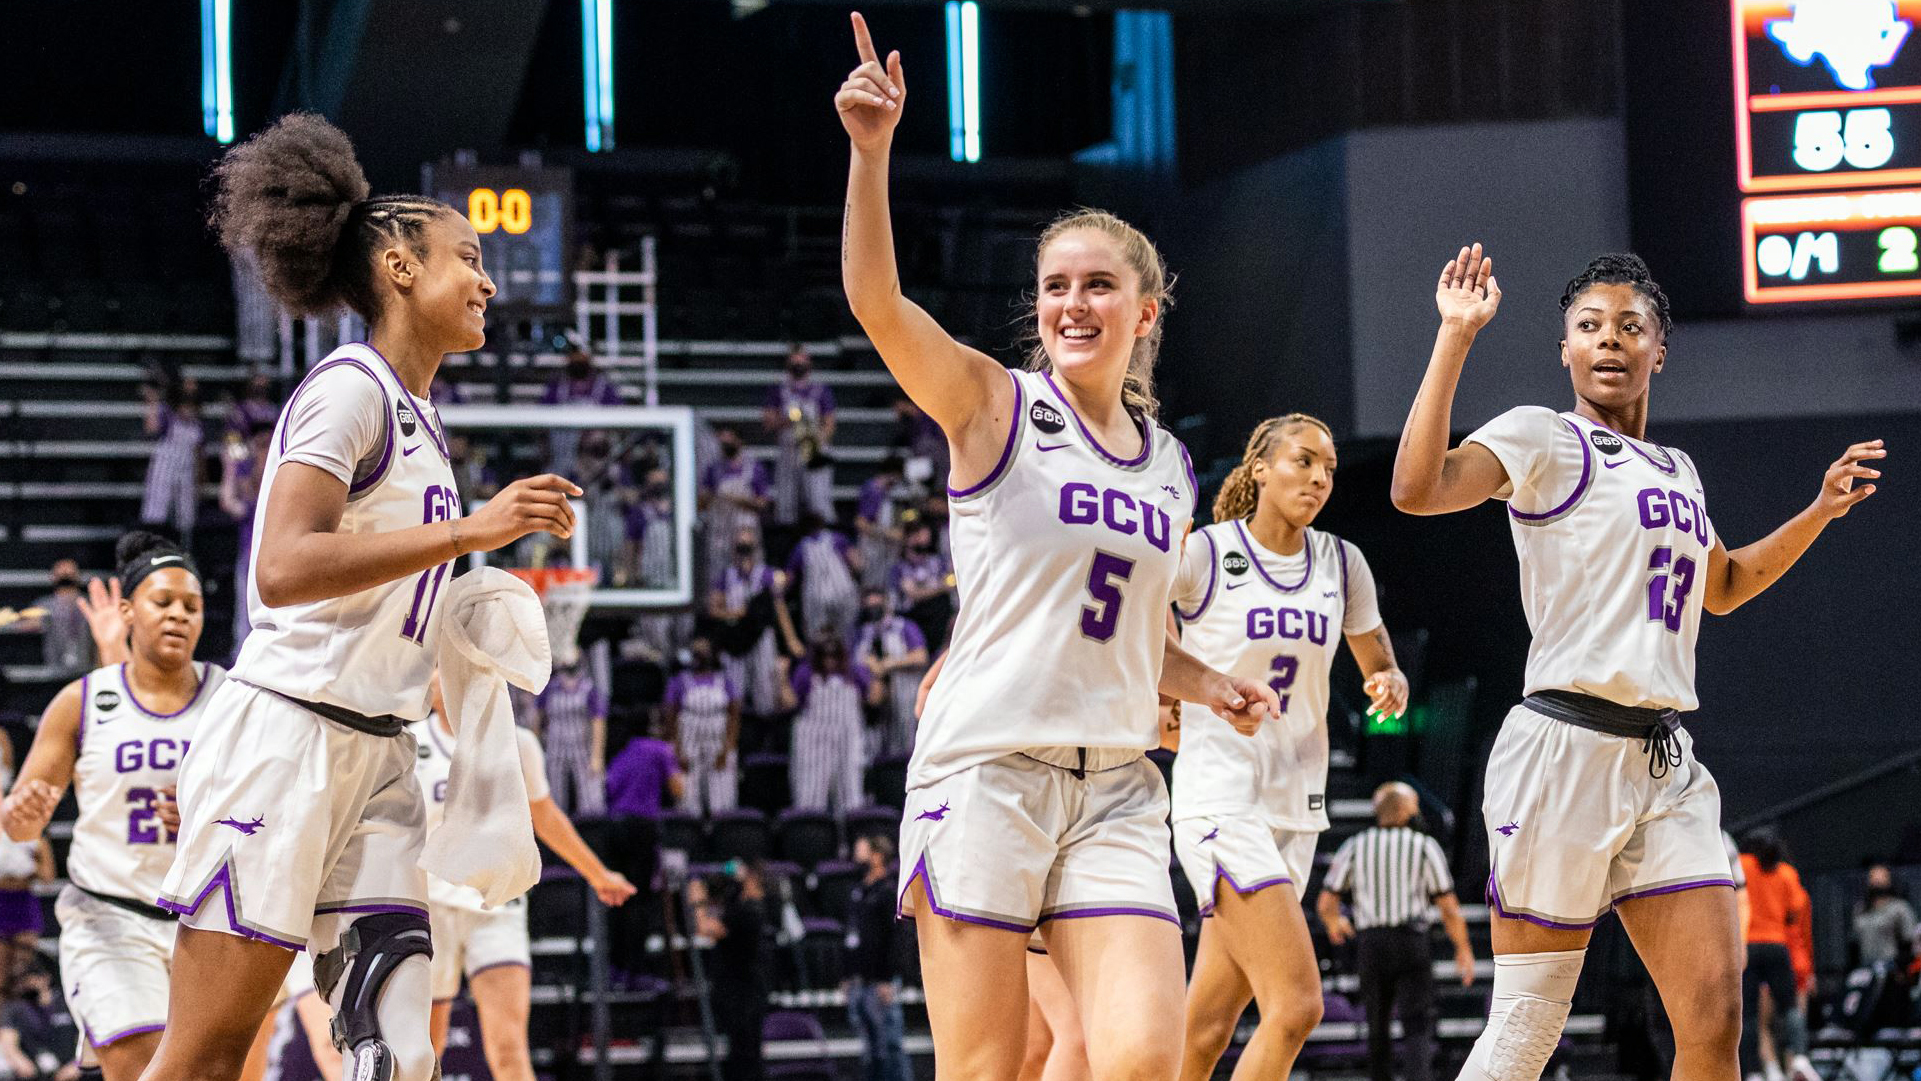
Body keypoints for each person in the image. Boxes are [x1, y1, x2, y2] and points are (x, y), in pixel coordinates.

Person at [837, 16, 1277, 1076]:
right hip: (986, 772)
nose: (1073, 303)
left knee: (1138, 1058)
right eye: (1055, 287)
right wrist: (869, 154)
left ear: (1145, 309)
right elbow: (877, 303)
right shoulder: (995, 404)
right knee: (989, 1065)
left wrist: (1205, 680)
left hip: (1118, 782)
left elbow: (1123, 627)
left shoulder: (1171, 464)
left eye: (1097, 285)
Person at [144, 112, 580, 1081]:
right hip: (283, 745)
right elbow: (283, 566)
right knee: (210, 1053)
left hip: (380, 755)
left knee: (397, 1051)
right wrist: (470, 535)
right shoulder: (350, 388)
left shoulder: (420, 414)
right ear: (395, 267)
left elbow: (381, 581)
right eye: (467, 257)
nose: (487, 280)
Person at [1390, 245, 1884, 1081]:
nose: (1608, 341)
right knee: (1525, 1029)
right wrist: (1455, 337)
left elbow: (1721, 586)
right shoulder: (1542, 437)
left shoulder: (1676, 468)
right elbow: (1415, 487)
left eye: (1629, 326)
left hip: (1661, 758)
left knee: (1715, 1019)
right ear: (1565, 351)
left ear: (1660, 347)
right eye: (1588, 327)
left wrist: (1818, 511)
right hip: (1563, 748)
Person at [1165, 413, 1411, 1081]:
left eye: (1327, 468)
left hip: (1295, 806)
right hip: (1220, 796)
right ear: (1258, 470)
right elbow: (1138, 616)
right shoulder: (1206, 552)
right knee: (1297, 1006)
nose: (1318, 477)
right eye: (1302, 461)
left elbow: (1373, 652)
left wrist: (1386, 677)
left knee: (1208, 1026)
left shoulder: (1340, 560)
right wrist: (1166, 699)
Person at [0, 533, 222, 1081]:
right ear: (127, 611)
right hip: (109, 915)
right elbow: (22, 820)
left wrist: (212, 818)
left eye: (191, 607)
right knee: (144, 1067)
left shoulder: (231, 697)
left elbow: (275, 809)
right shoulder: (83, 701)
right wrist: (22, 815)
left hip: (208, 920)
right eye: (163, 603)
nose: (178, 616)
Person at [411, 673, 636, 1081]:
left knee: (510, 1047)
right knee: (425, 1053)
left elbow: (545, 816)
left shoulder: (518, 743)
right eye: (436, 669)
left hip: (497, 905)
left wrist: (598, 874)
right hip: (430, 910)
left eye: (449, 669)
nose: (438, 679)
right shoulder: (408, 743)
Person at [1318, 783, 1476, 1081]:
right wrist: (1463, 948)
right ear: (1404, 810)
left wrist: (1334, 924)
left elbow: (1326, 902)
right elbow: (1448, 906)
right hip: (1410, 941)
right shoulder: (1423, 845)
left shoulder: (1355, 844)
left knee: (1377, 1027)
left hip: (1371, 943)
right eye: (1415, 805)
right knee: (1417, 1025)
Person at [1740, 831, 1814, 1081]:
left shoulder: (1742, 865)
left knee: (1749, 1013)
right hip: (1777, 944)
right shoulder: (1786, 873)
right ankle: (1801, 1059)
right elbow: (1796, 910)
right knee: (1790, 1006)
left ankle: (1753, 1072)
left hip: (1748, 945)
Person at [779, 637, 881, 814]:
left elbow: (874, 698)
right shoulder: (806, 673)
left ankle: (848, 841)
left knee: (850, 801)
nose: (830, 660)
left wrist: (877, 674)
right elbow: (789, 703)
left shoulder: (853, 672)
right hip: (814, 746)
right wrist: (782, 677)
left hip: (846, 743)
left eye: (834, 655)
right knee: (810, 800)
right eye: (825, 655)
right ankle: (813, 838)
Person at [690, 863, 771, 1081]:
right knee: (742, 1053)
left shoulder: (749, 911)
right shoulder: (745, 908)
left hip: (744, 996)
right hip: (741, 992)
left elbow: (707, 929)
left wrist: (698, 901)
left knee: (745, 1056)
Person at [844, 833, 911, 1081]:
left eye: (861, 851)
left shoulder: (888, 891)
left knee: (890, 1046)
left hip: (881, 981)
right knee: (870, 1051)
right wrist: (848, 974)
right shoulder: (859, 891)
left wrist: (888, 977)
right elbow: (851, 935)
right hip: (861, 980)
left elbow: (896, 938)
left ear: (877, 856)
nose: (855, 856)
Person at [709, 533, 796, 720]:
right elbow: (714, 610)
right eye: (741, 548)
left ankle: (764, 732)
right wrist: (738, 613)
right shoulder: (726, 576)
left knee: (765, 690)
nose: (744, 553)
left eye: (748, 548)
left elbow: (779, 608)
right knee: (734, 690)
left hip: (760, 635)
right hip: (736, 638)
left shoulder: (766, 575)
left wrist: (791, 639)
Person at [664, 638, 741, 814]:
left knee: (722, 801)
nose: (701, 655)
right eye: (697, 651)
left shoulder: (724, 681)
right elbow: (669, 715)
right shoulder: (679, 681)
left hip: (718, 741)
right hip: (688, 741)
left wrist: (728, 748)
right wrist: (677, 749)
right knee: (688, 801)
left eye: (704, 651)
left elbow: (734, 714)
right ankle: (690, 835)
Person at [763, 345, 836, 527]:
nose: (798, 365)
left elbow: (829, 423)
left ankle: (822, 535)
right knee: (786, 502)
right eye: (794, 361)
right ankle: (786, 539)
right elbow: (768, 421)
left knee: (819, 499)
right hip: (789, 448)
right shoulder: (778, 389)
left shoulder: (820, 390)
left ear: (809, 362)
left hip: (812, 447)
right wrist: (789, 419)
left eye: (801, 361)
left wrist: (816, 442)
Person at [851, 591, 928, 760]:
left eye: (877, 605)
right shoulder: (863, 633)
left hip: (904, 696)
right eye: (869, 606)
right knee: (875, 750)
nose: (873, 609)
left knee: (907, 747)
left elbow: (921, 656)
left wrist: (889, 664)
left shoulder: (904, 626)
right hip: (873, 702)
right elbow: (854, 661)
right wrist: (871, 665)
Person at [219, 420, 274, 653]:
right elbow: (230, 503)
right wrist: (230, 467)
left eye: (268, 445)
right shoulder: (246, 473)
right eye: (260, 445)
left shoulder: (283, 472)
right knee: (244, 620)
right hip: (250, 559)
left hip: (278, 560)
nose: (264, 450)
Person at [533, 663, 608, 818]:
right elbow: (538, 719)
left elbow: (598, 722)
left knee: (591, 797)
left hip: (582, 746)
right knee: (554, 795)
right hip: (556, 746)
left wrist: (597, 756)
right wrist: (536, 749)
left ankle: (592, 834)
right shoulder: (550, 688)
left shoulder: (588, 688)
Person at [699, 429, 771, 585]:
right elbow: (703, 500)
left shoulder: (753, 468)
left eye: (729, 442)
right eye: (723, 443)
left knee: (748, 569)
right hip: (720, 529)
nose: (725, 446)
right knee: (716, 572)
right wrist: (709, 497)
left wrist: (737, 499)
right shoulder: (714, 468)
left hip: (744, 527)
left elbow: (763, 503)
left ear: (738, 442)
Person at [140, 378, 204, 543]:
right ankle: (152, 548)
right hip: (166, 463)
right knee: (156, 511)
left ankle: (183, 551)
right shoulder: (167, 413)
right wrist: (152, 401)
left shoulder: (197, 422)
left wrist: (200, 480)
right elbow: (151, 428)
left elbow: (199, 453)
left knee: (186, 516)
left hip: (187, 466)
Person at [785, 512, 863, 644]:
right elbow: (858, 564)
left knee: (818, 638)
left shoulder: (801, 546)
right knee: (845, 635)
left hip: (817, 598)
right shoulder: (837, 538)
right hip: (841, 594)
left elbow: (788, 579)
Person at [20, 561, 96, 674]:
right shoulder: (43, 605)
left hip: (87, 666)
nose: (65, 572)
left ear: (78, 576)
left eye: (69, 571)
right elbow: (23, 625)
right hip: (54, 667)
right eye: (61, 571)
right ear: (52, 577)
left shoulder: (91, 603)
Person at [854, 456, 910, 593]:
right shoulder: (873, 489)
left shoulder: (889, 491)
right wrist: (888, 533)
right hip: (872, 548)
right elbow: (861, 522)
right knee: (872, 589)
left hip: (885, 549)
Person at [1853, 864, 1916, 970]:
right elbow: (1854, 942)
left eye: (1881, 877)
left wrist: (1902, 968)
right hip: (1865, 966)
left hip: (1891, 965)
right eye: (1873, 877)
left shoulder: (1899, 908)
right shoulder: (1860, 909)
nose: (1877, 881)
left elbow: (1908, 940)